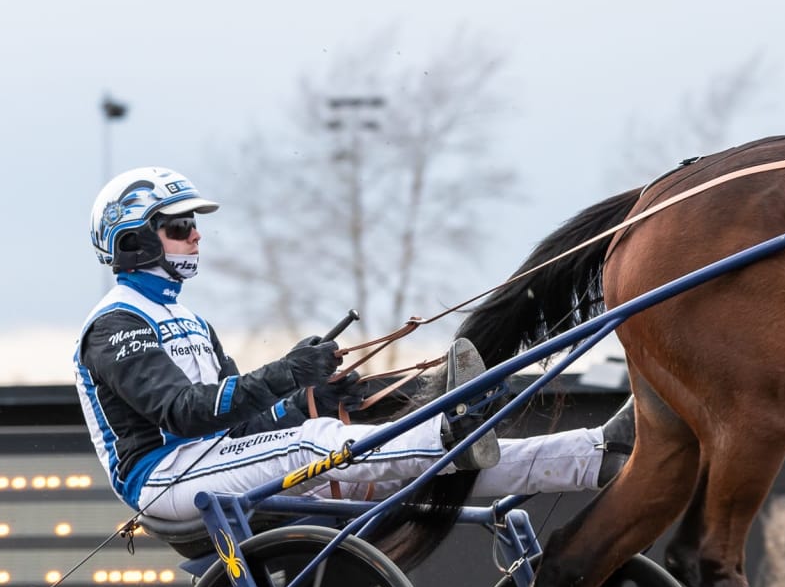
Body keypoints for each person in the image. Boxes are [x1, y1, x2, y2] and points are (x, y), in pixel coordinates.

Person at [74, 166, 633, 527]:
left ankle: (591, 454)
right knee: (317, 444)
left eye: (193, 224)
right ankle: (445, 432)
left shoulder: (188, 318)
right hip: (164, 476)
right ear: (134, 240)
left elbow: (238, 426)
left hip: (212, 461)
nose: (196, 235)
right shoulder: (115, 325)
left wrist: (304, 395)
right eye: (179, 226)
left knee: (398, 469)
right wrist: (287, 372)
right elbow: (186, 414)